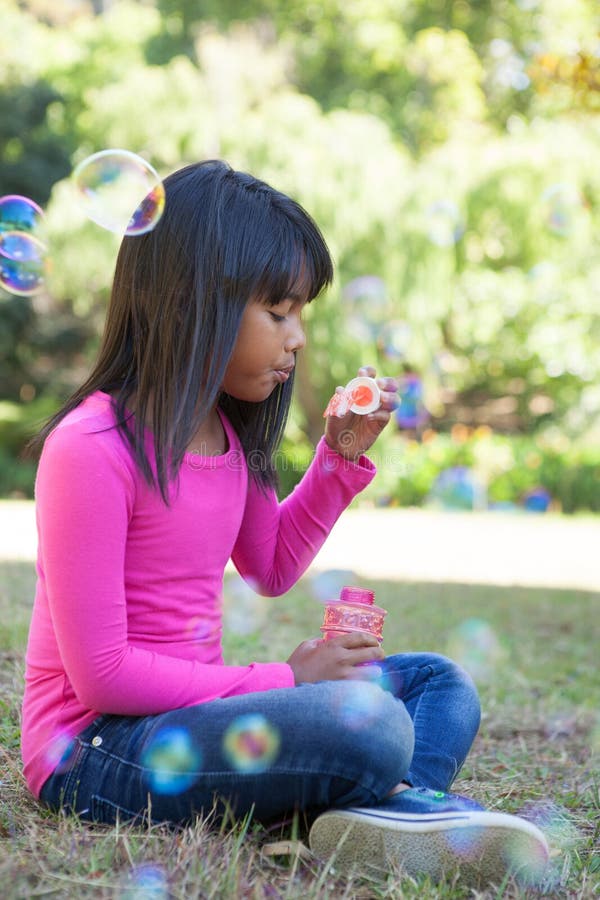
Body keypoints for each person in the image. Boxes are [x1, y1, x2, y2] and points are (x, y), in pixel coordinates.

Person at [22, 159, 548, 888]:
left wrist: (336, 459)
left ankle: (376, 812)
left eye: (301, 313)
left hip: (190, 719)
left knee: (439, 685)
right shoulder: (92, 447)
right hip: (94, 749)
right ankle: (391, 801)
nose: (297, 338)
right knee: (371, 725)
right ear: (193, 301)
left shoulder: (230, 438)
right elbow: (104, 676)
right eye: (279, 311)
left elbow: (269, 567)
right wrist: (286, 678)